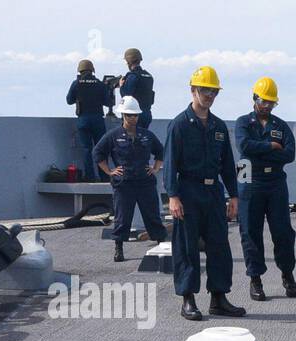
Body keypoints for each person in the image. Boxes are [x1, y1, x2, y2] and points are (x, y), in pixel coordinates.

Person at [163, 66, 246, 321]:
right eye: (204, 90)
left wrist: (234, 196)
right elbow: (170, 163)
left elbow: (228, 165)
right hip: (188, 191)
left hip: (213, 193)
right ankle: (188, 298)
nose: (209, 95)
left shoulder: (219, 127)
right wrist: (173, 196)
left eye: (213, 92)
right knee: (187, 247)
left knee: (219, 245)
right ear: (193, 90)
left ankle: (218, 298)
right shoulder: (179, 125)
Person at [236, 77, 296, 301]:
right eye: (264, 101)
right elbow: (244, 146)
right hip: (250, 181)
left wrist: (259, 151)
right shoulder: (244, 123)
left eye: (271, 103)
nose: (267, 106)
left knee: (283, 232)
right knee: (250, 232)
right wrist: (271, 146)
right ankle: (255, 279)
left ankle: (287, 273)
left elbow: (289, 154)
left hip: (275, 184)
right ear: (255, 99)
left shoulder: (280, 126)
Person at [93, 96, 166, 263]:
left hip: (144, 182)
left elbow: (161, 151)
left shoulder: (147, 135)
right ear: (123, 116)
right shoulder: (113, 136)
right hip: (124, 184)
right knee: (122, 217)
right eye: (129, 115)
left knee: (152, 215)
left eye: (135, 115)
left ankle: (162, 245)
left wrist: (155, 168)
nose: (132, 118)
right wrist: (110, 171)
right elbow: (97, 153)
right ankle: (119, 248)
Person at [67, 59, 112, 182]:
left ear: (80, 71)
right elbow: (108, 102)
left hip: (83, 119)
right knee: (101, 148)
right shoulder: (100, 84)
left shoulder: (76, 83)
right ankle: (104, 176)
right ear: (92, 70)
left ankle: (90, 177)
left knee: (87, 149)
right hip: (98, 119)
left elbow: (69, 100)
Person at [119, 48, 155, 129]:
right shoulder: (149, 76)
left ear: (128, 62)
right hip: (147, 114)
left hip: (134, 116)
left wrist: (121, 86)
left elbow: (126, 96)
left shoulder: (132, 76)